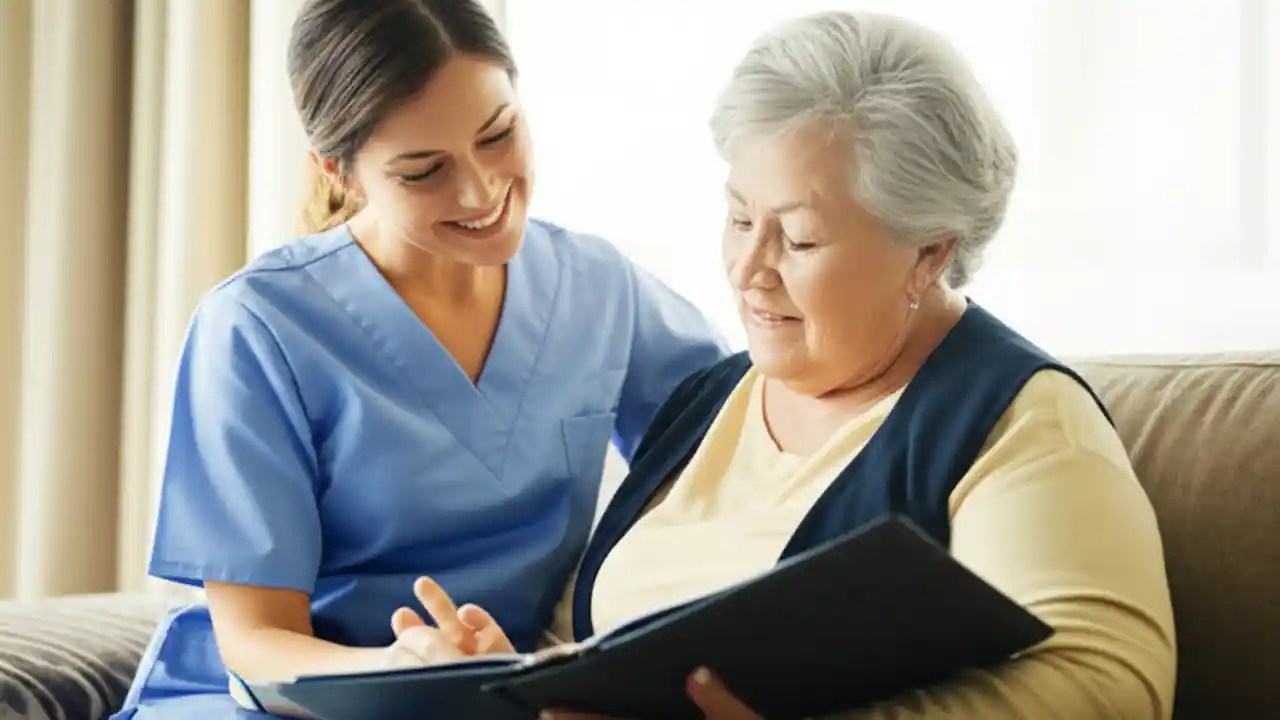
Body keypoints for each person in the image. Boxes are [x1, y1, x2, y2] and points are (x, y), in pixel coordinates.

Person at [398, 11, 1178, 719]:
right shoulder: (707, 400)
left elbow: (1107, 685)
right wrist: (515, 675)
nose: (748, 268)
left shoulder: (1015, 419)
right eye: (740, 217)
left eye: (799, 239)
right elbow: (598, 647)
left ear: (930, 251)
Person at [111, 1, 729, 717]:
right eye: (424, 171)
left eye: (498, 135)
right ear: (339, 173)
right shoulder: (258, 327)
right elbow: (257, 641)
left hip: (506, 695)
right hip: (291, 702)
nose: (480, 191)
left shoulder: (596, 286)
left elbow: (748, 439)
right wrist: (400, 669)